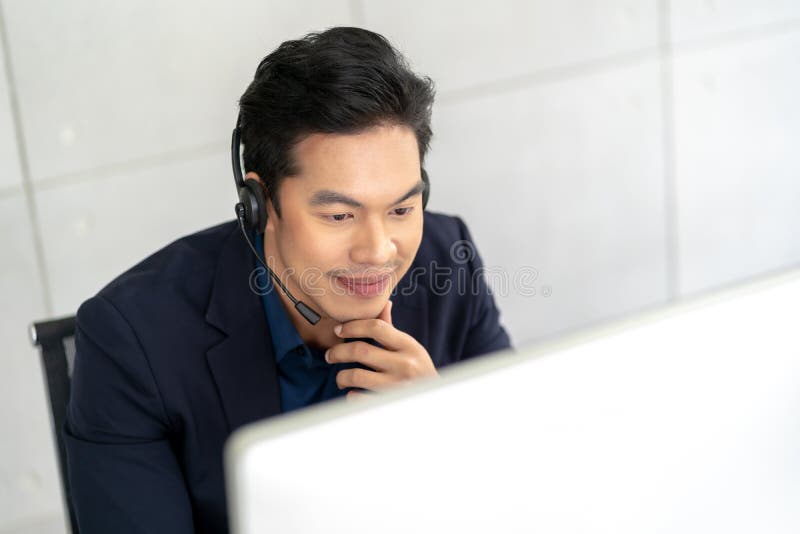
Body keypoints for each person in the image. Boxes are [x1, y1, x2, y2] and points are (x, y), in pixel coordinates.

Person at [64, 26, 511, 534]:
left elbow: (531, 481)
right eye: (340, 216)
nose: (378, 251)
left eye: (402, 208)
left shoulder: (447, 262)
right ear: (260, 205)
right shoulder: (130, 342)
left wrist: (443, 428)